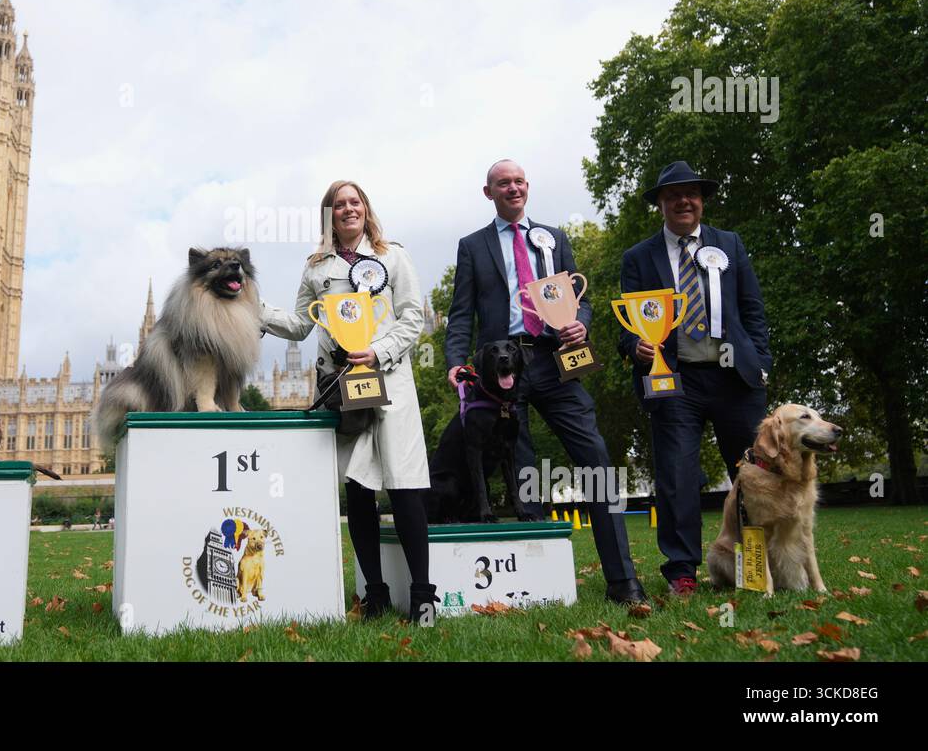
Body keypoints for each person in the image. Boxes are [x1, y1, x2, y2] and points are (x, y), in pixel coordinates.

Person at [445, 159, 647, 605]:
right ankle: (536, 582)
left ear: (527, 187)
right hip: (501, 370)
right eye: (503, 183)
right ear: (489, 193)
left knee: (595, 459)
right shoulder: (472, 246)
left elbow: (582, 299)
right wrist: (455, 361)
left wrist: (582, 324)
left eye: (518, 181)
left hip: (558, 361)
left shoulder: (553, 238)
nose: (512, 188)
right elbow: (462, 312)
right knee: (523, 470)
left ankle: (623, 581)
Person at [259, 180, 436, 622]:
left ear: (366, 208)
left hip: (391, 382)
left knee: (405, 486)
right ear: (329, 215)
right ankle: (374, 593)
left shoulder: (394, 255)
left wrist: (380, 350)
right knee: (358, 490)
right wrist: (253, 308)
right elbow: (301, 325)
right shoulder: (316, 267)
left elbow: (413, 317)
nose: (348, 209)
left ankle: (422, 594)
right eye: (339, 205)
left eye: (354, 202)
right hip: (342, 387)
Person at [618, 161, 771, 596]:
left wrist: (761, 362)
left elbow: (752, 309)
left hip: (735, 379)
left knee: (752, 477)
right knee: (676, 477)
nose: (684, 201)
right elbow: (628, 326)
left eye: (692, 194)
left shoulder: (730, 245)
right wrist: (636, 348)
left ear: (701, 201)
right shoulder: (638, 257)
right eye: (673, 195)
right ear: (661, 205)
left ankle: (755, 568)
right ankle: (681, 572)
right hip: (674, 382)